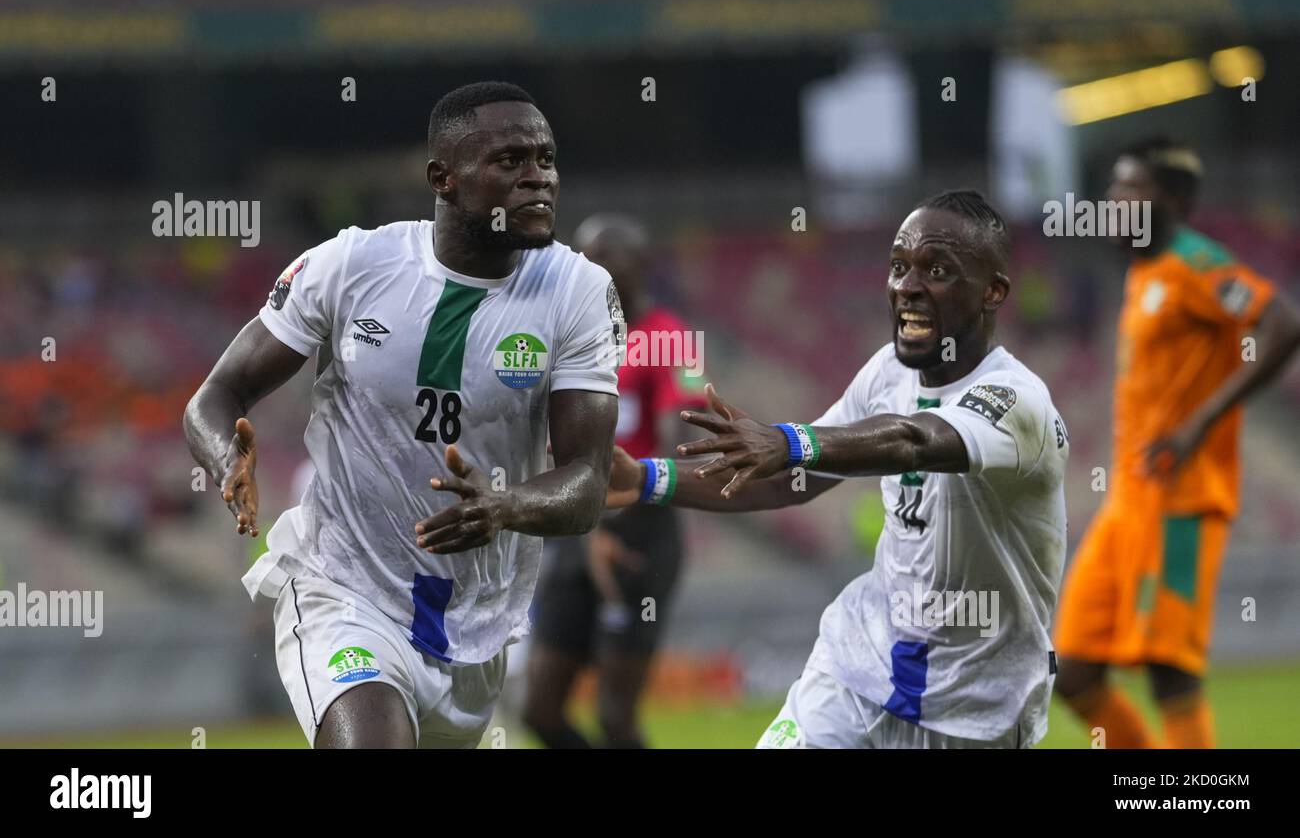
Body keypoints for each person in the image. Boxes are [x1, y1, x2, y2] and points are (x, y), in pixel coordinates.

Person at [183, 81, 621, 749]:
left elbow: (586, 483)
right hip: (343, 587)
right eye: (511, 162)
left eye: (547, 159)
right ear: (443, 179)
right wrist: (226, 457)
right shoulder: (350, 266)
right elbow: (216, 396)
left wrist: (502, 507)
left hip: (473, 627)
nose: (539, 179)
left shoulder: (578, 292)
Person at [608, 190, 1070, 748]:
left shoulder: (1018, 401)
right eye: (899, 266)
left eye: (938, 270)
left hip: (976, 705)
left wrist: (789, 440)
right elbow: (787, 479)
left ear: (993, 291)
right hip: (859, 667)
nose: (908, 286)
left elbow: (915, 442)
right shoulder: (886, 373)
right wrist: (645, 479)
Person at [1052, 138, 1300, 748]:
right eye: (1112, 188)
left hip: (1180, 502)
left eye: (1131, 188)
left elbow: (1282, 323)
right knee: (1074, 669)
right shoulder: (1146, 273)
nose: (1114, 201)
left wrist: (1202, 422)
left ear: (1176, 199)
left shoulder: (1198, 265)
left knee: (1170, 670)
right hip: (1129, 501)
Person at [524, 214, 706, 748]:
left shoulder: (671, 339)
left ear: (640, 267)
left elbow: (679, 447)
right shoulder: (566, 336)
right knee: (538, 708)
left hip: (637, 534)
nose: (589, 268)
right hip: (577, 530)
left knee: (614, 716)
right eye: (582, 257)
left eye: (604, 257)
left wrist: (610, 518)